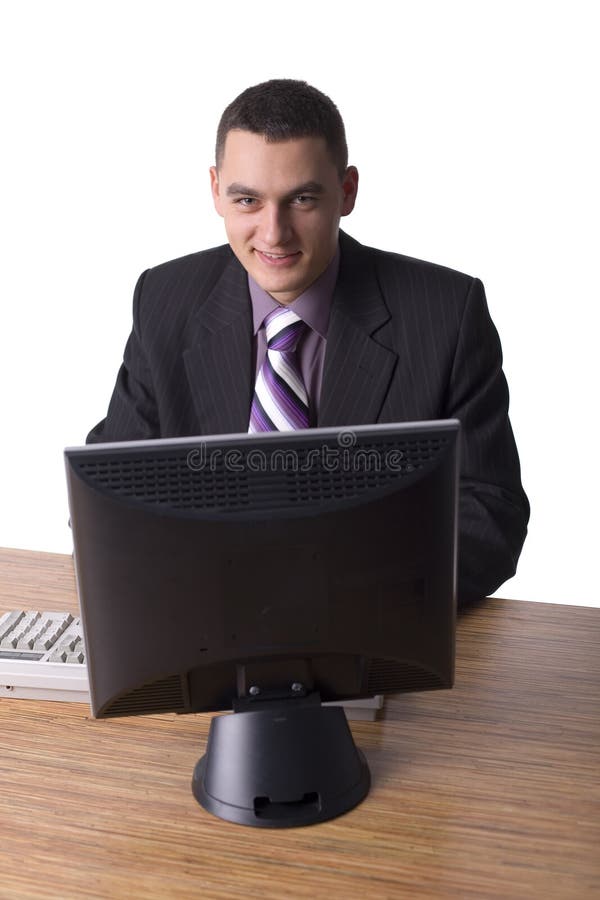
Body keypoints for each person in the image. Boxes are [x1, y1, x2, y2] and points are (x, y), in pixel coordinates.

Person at [87, 78, 529, 606]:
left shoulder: (446, 315)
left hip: (371, 622)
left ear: (346, 192)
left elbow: (489, 512)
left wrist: (335, 590)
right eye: (247, 200)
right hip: (203, 622)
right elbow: (113, 485)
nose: (274, 234)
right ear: (215, 191)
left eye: (301, 199)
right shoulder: (164, 298)